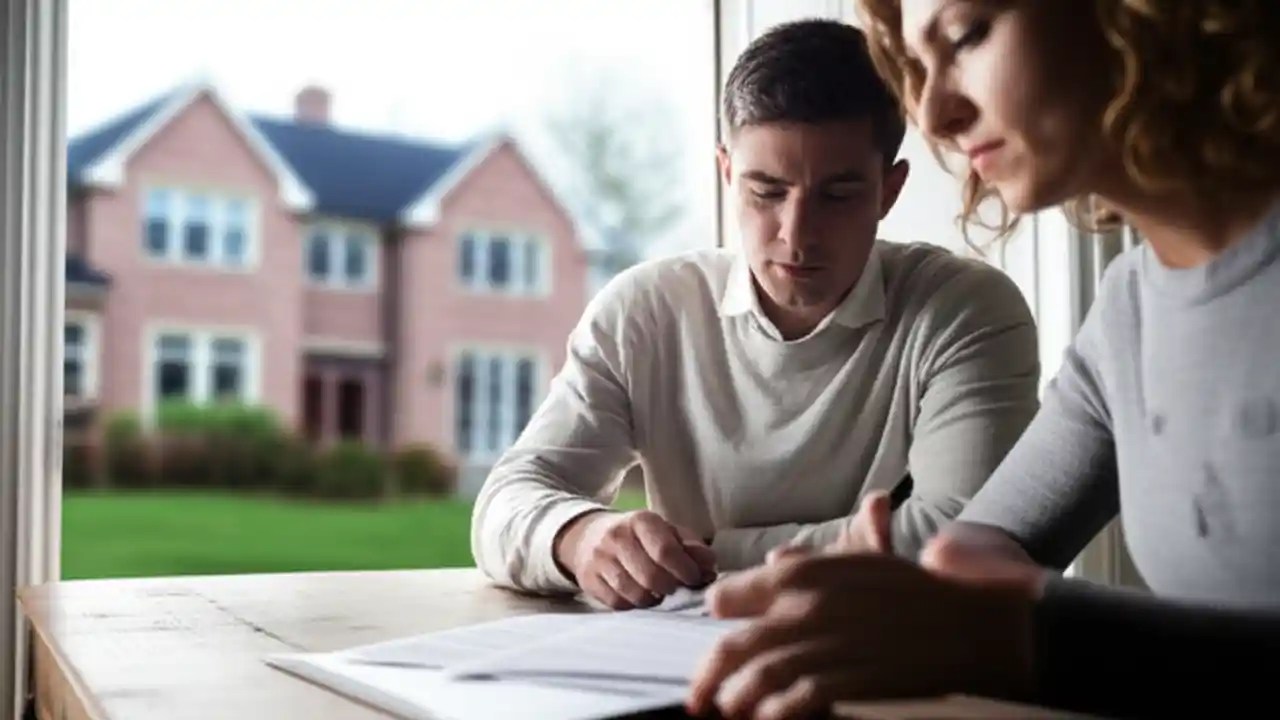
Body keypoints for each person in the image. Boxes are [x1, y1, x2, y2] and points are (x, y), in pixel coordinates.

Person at [686, 1, 1280, 718]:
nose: (933, 114)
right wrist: (881, 597)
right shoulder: (1129, 308)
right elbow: (970, 555)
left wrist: (1033, 640)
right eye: (918, 66)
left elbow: (1005, 620)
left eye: (966, 36)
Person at [469, 19, 1040, 611]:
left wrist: (711, 553)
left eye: (838, 195)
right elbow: (505, 501)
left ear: (888, 192)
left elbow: (963, 533)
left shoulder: (964, 311)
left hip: (886, 666)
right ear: (726, 174)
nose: (797, 236)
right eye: (766, 191)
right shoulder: (645, 312)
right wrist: (578, 537)